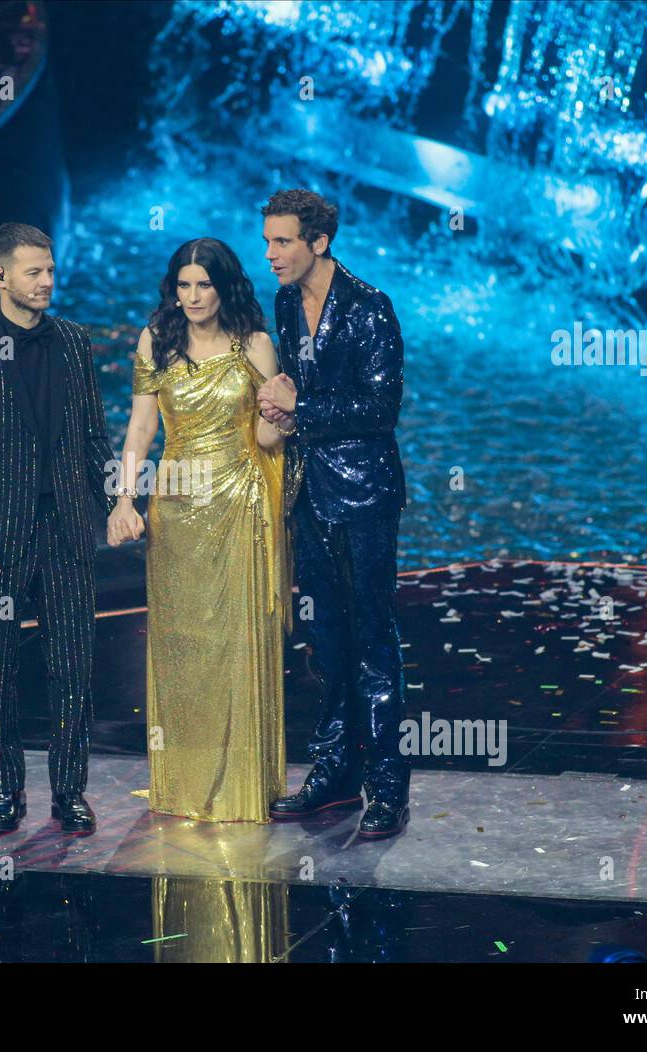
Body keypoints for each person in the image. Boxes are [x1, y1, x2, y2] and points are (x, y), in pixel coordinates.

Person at [0, 222, 115, 836]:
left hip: (65, 527)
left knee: (72, 664)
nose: (46, 282)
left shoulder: (73, 341)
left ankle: (70, 791)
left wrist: (117, 500)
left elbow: (94, 437)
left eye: (50, 270)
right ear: (0, 275)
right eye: (34, 271)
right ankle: (6, 791)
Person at [108, 237, 292, 823]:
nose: (192, 296)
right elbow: (140, 430)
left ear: (224, 286)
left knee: (236, 644)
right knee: (183, 646)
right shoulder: (155, 342)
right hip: (178, 508)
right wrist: (123, 498)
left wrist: (281, 416)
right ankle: (187, 784)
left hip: (239, 506)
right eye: (183, 285)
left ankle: (243, 783)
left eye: (203, 285)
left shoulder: (257, 346)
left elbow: (268, 440)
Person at [256, 189, 411, 840]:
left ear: (319, 242)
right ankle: (335, 770)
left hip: (364, 496)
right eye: (266, 242)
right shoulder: (288, 302)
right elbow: (295, 381)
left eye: (282, 242)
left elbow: (381, 411)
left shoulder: (370, 307)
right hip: (310, 494)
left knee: (373, 639)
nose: (270, 255)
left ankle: (387, 787)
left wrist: (301, 412)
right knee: (326, 639)